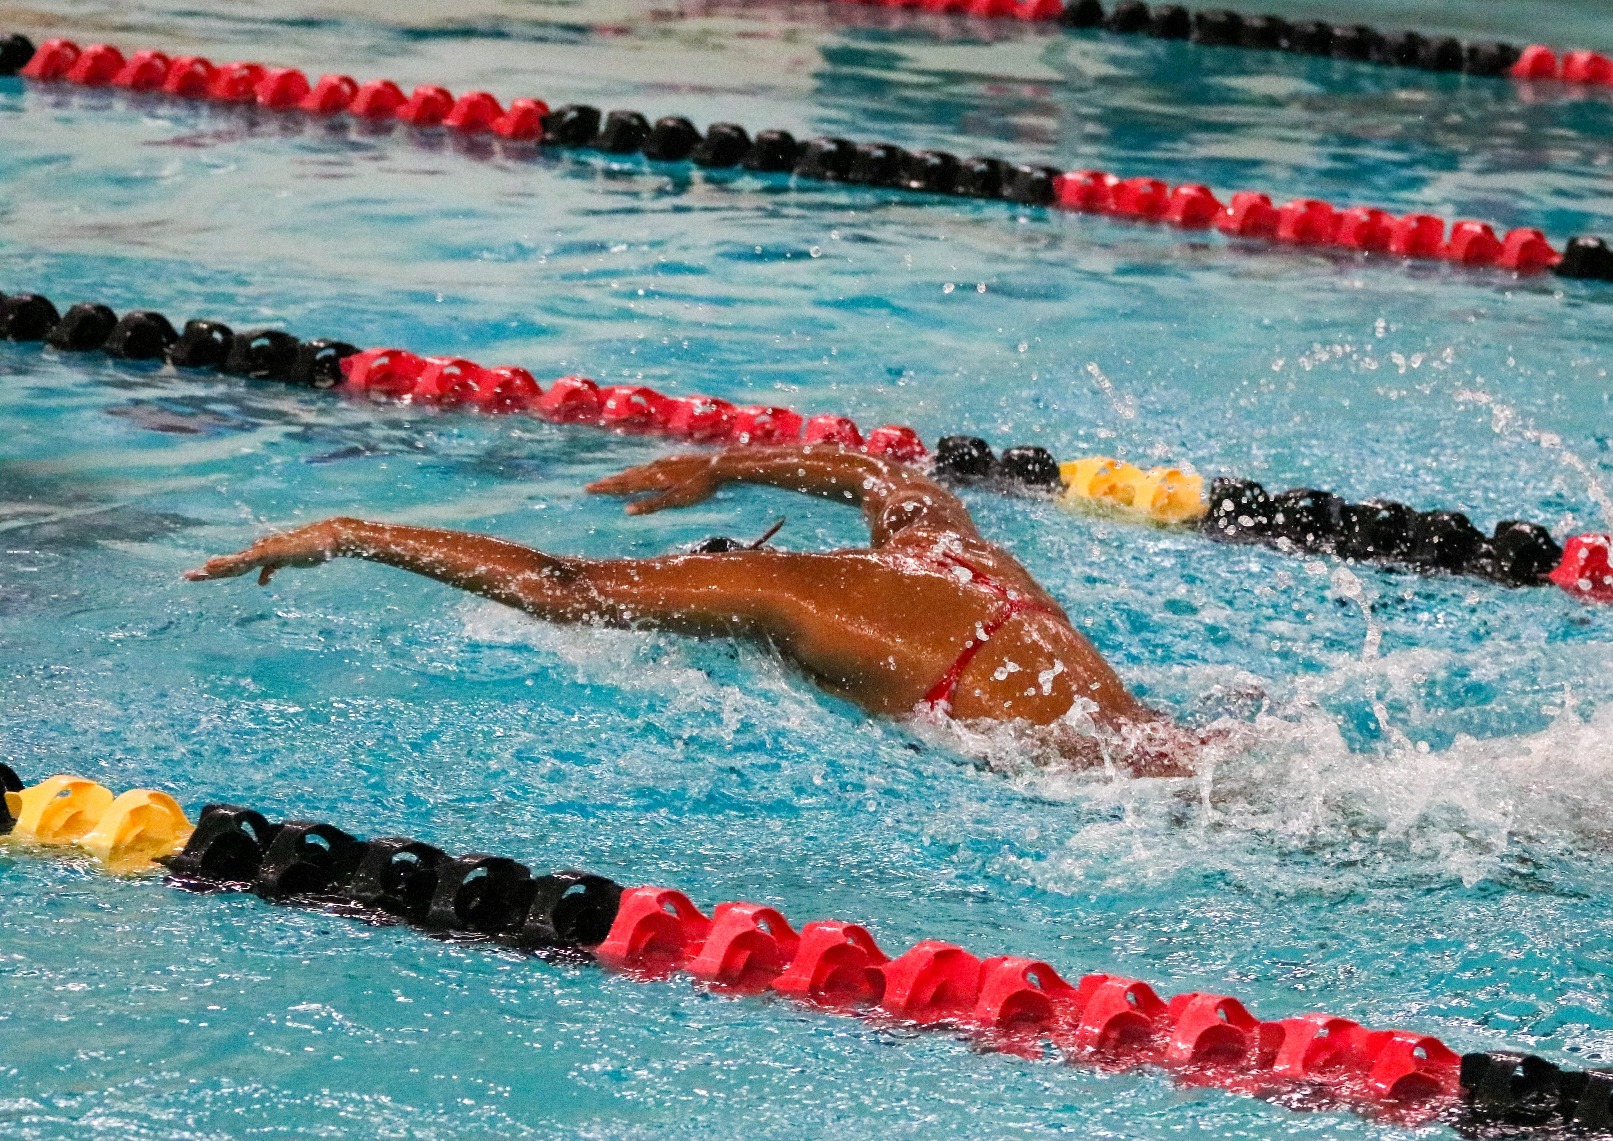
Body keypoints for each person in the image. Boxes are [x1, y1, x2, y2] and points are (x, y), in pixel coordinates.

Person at [187, 445, 1187, 772]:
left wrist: (354, 531)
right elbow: (880, 474)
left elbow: (560, 586)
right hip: (1176, 750)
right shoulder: (939, 551)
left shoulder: (771, 594)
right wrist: (718, 464)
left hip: (1133, 798)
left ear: (719, 573)